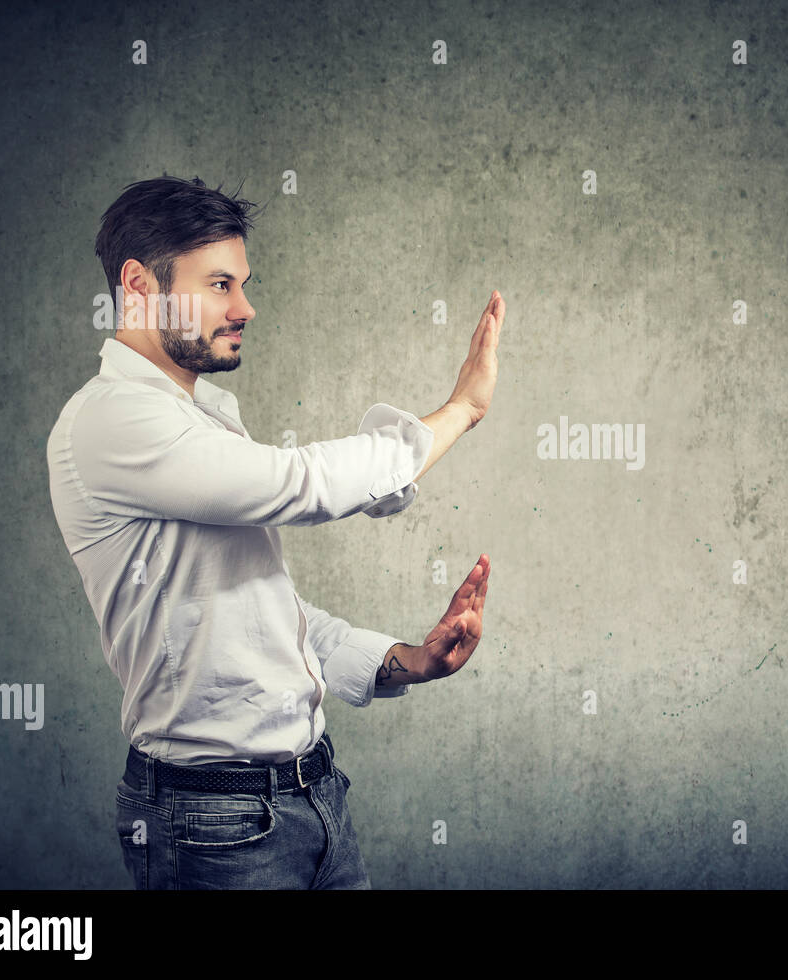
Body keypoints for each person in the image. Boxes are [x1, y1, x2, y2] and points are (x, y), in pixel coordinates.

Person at [45, 175, 503, 888]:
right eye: (221, 285)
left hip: (315, 800)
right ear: (139, 285)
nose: (246, 307)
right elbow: (300, 485)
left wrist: (405, 660)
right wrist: (461, 412)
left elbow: (260, 608)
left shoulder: (205, 418)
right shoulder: (110, 420)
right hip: (213, 828)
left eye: (243, 284)